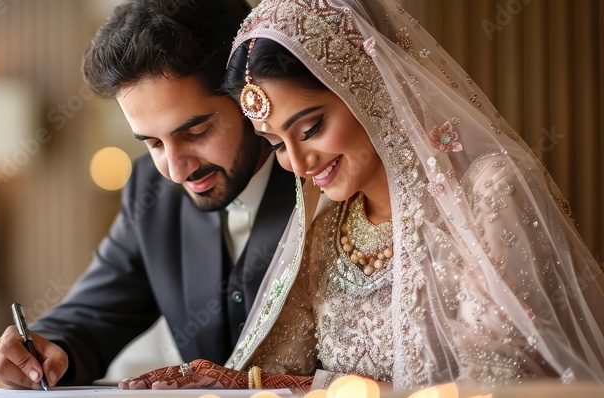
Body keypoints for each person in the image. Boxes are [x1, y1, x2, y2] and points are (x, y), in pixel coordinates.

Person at [121, 0, 604, 392]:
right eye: (273, 144)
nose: (298, 162)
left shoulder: (488, 192)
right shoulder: (327, 229)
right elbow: (289, 377)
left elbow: (501, 380)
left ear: (368, 89)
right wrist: (219, 381)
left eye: (310, 128)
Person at [0, 0, 316, 390]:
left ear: (249, 97)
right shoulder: (151, 190)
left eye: (195, 133)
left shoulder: (327, 178)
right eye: (153, 143)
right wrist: (42, 350)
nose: (176, 171)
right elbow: (91, 318)